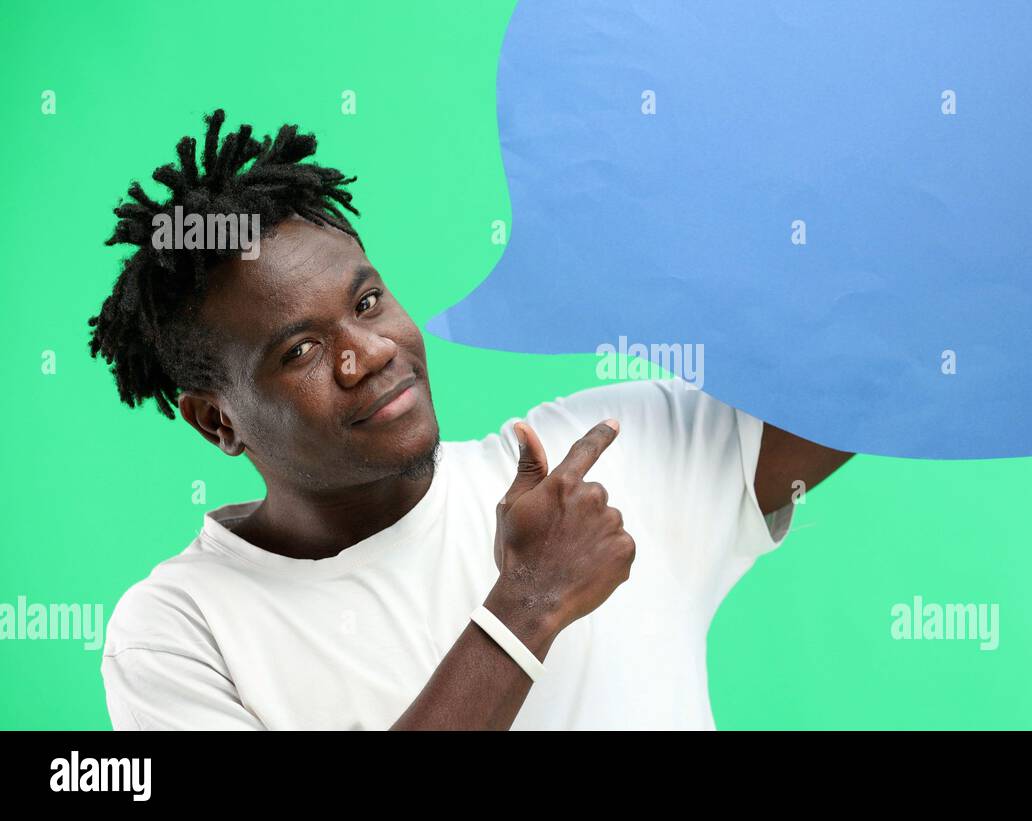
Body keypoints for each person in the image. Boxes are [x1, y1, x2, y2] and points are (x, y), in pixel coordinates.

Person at [90, 110, 852, 730]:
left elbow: (865, 376)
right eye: (302, 351)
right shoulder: (179, 631)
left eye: (366, 303)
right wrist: (528, 600)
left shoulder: (598, 460)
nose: (371, 352)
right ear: (216, 422)